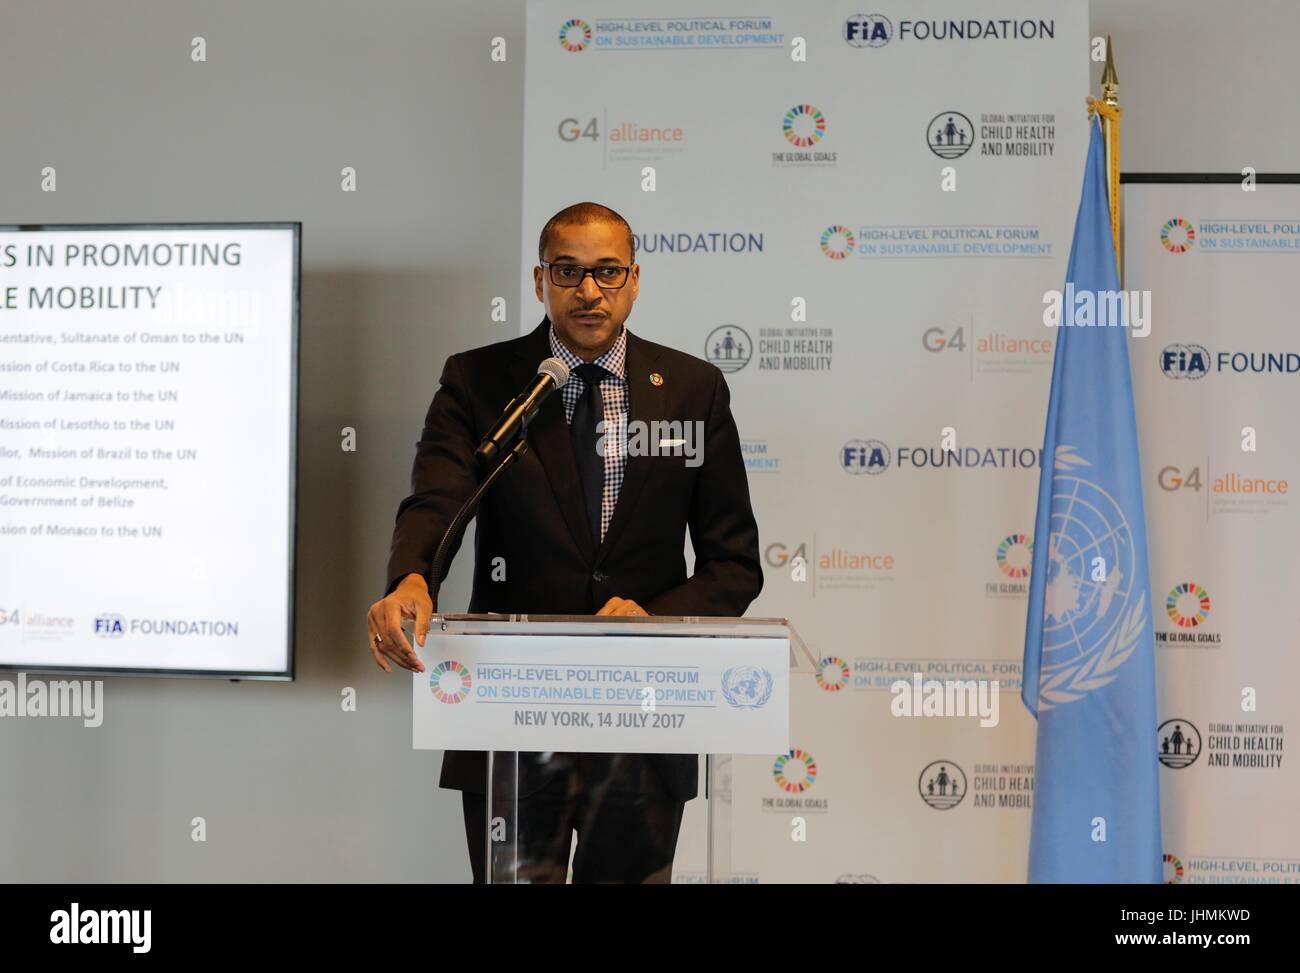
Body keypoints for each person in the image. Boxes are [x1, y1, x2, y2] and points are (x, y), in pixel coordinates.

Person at [365, 201, 763, 883]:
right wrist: (412, 578)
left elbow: (733, 564)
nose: (588, 291)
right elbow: (439, 500)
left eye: (607, 272)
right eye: (568, 271)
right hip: (512, 716)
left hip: (644, 719)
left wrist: (653, 620)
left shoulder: (693, 389)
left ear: (635, 279)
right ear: (539, 280)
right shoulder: (480, 381)